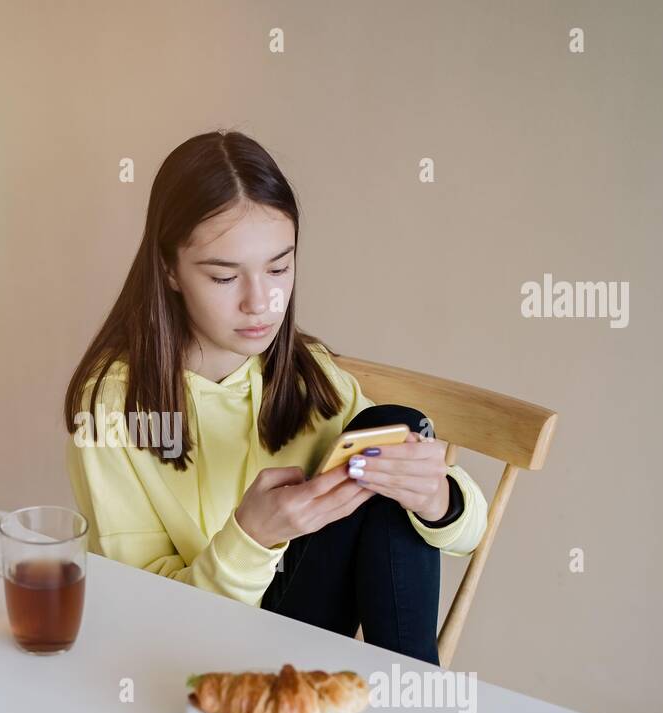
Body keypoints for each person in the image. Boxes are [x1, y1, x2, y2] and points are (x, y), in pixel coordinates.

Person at [63, 131, 487, 665]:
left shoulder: (311, 375)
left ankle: (414, 696)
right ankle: (415, 707)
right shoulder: (111, 408)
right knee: (385, 446)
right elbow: (148, 617)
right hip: (192, 659)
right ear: (169, 269)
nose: (260, 302)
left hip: (307, 648)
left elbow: (467, 535)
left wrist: (435, 497)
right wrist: (251, 537)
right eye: (223, 276)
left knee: (392, 431)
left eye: (279, 268)